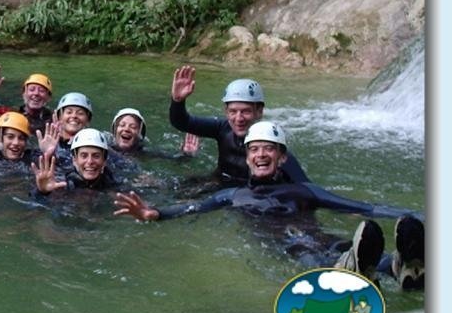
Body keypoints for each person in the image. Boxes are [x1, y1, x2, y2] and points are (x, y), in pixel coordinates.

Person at [114, 121, 424, 290]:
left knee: (344, 245)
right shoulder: (232, 196)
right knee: (310, 255)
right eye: (255, 149)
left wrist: (414, 215)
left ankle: (401, 266)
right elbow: (192, 209)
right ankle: (356, 272)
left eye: (269, 150)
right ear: (247, 157)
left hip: (320, 238)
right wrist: (153, 214)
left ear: (282, 158)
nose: (261, 155)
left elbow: (363, 208)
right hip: (287, 247)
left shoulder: (304, 190)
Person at [168, 65, 309, 184]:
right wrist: (177, 101)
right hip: (219, 181)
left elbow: (306, 188)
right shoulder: (222, 128)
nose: (238, 118)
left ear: (259, 112)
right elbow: (182, 122)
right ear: (226, 111)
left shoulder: (271, 146)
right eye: (233, 111)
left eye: (246, 111)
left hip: (250, 192)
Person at [33, 128, 119, 196]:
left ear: (104, 161)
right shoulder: (62, 183)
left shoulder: (112, 182)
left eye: (96, 156)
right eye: (84, 156)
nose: (90, 161)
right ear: (74, 160)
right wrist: (42, 192)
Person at [0, 64, 54, 134]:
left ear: (48, 98)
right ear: (24, 94)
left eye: (41, 91)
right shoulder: (9, 113)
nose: (36, 93)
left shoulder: (54, 119)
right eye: (32, 89)